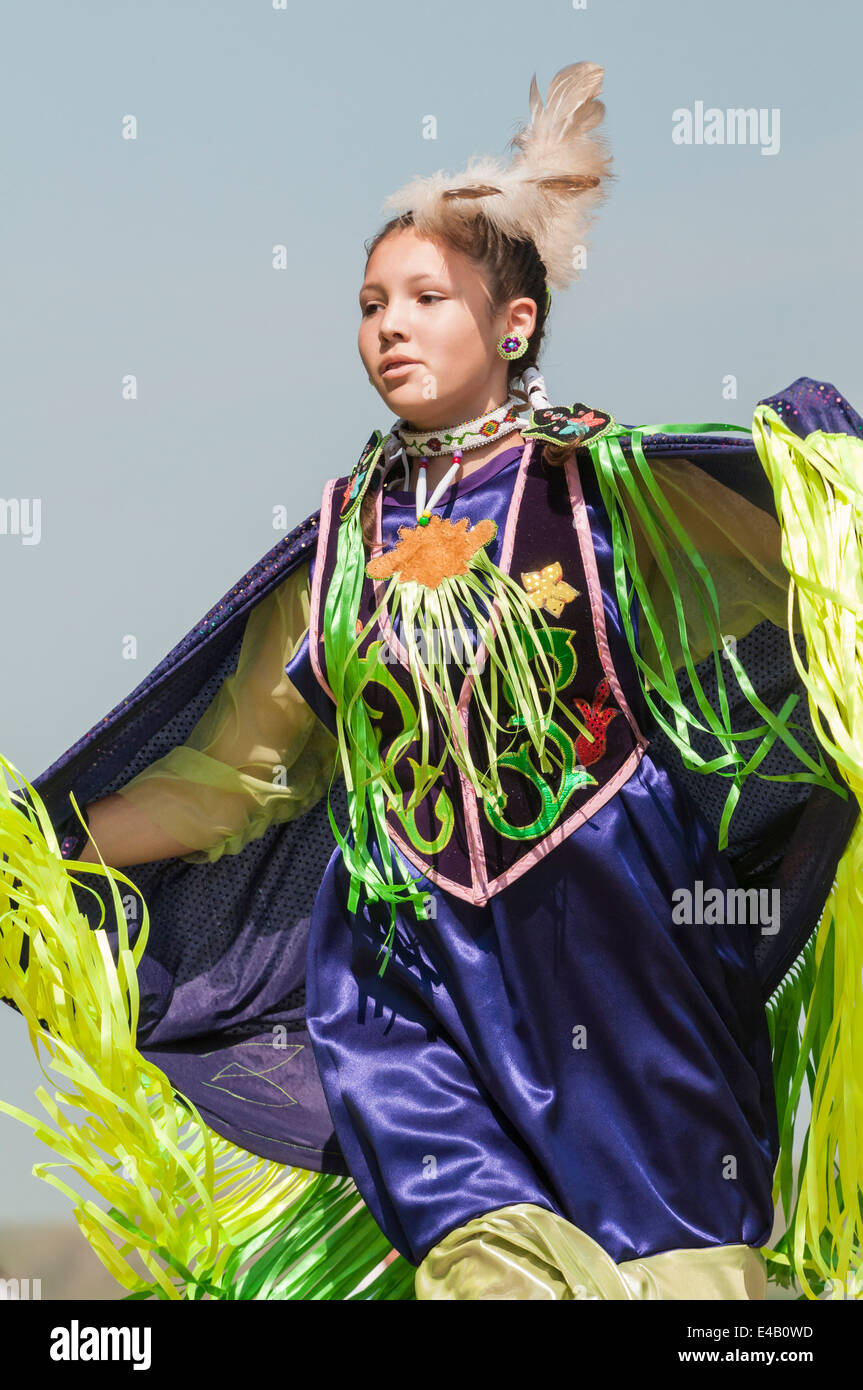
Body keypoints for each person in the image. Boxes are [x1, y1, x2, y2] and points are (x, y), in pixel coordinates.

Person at [2, 62, 861, 1302]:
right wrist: (39, 854)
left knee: (698, 1298)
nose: (386, 324)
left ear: (513, 324)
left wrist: (814, 458)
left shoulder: (612, 496)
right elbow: (223, 785)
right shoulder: (342, 542)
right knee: (485, 1278)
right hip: (409, 993)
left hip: (627, 978)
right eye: (368, 303)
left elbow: (816, 580)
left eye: (423, 296)